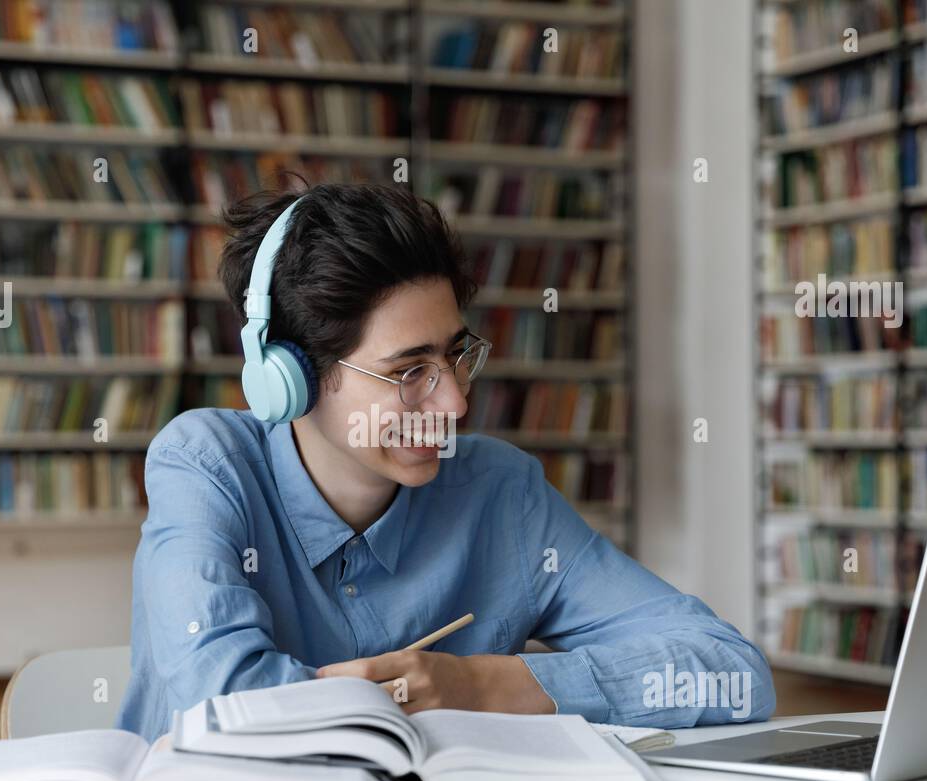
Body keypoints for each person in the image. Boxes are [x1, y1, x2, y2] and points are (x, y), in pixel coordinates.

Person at [117, 179, 775, 741]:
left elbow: (731, 671)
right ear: (288, 376)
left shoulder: (500, 493)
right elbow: (220, 704)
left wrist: (486, 684)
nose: (456, 403)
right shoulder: (206, 465)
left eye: (456, 355)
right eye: (410, 370)